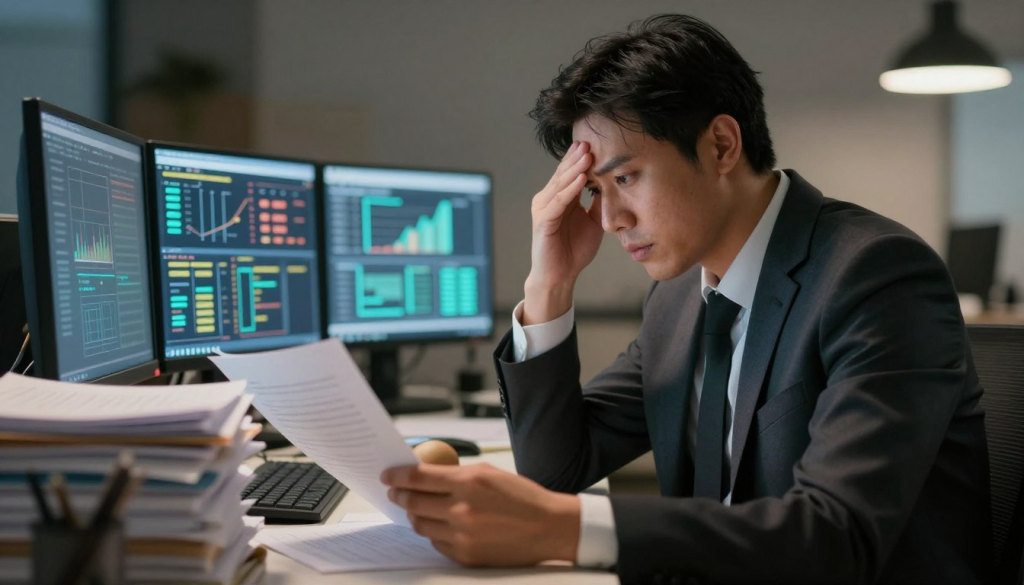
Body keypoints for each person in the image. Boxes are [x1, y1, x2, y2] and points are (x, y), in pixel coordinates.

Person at [381, 13, 991, 584]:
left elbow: (838, 538)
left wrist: (564, 527)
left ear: (722, 146)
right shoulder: (678, 297)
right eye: (594, 190)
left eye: (625, 177)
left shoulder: (876, 275)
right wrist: (550, 286)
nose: (612, 217)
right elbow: (557, 469)